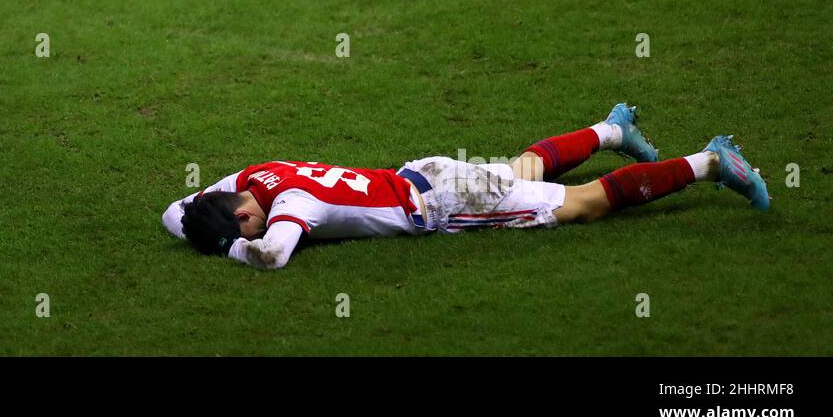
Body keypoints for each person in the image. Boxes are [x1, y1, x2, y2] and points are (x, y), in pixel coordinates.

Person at [163, 104, 770, 269]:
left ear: (244, 216)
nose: (254, 229)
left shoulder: (290, 211)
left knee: (582, 206)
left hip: (444, 202)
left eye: (243, 227)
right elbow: (176, 209)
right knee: (522, 170)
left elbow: (271, 256)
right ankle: (613, 129)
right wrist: (205, 225)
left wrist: (231, 249)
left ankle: (711, 164)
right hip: (424, 172)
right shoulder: (253, 178)